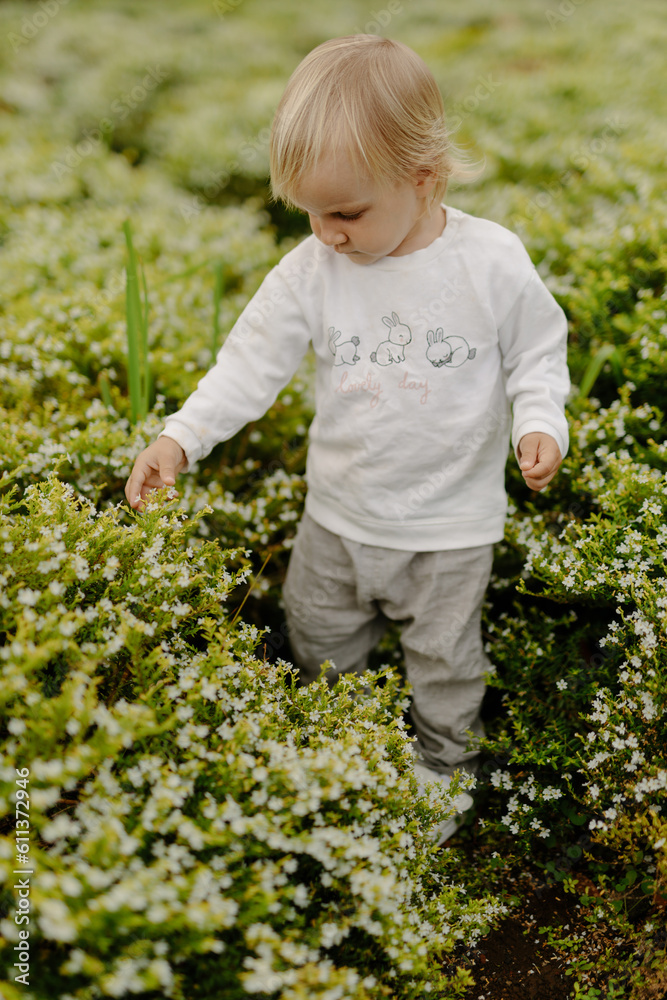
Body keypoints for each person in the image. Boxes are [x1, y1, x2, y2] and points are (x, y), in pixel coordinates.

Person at [125, 35, 570, 845]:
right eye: (310, 213)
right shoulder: (312, 269)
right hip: (335, 519)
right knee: (319, 641)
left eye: (346, 213)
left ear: (422, 177)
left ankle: (443, 778)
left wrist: (539, 420)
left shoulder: (489, 261)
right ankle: (338, 755)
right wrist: (180, 437)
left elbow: (536, 351)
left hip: (447, 531)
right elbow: (248, 364)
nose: (326, 233)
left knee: (444, 665)